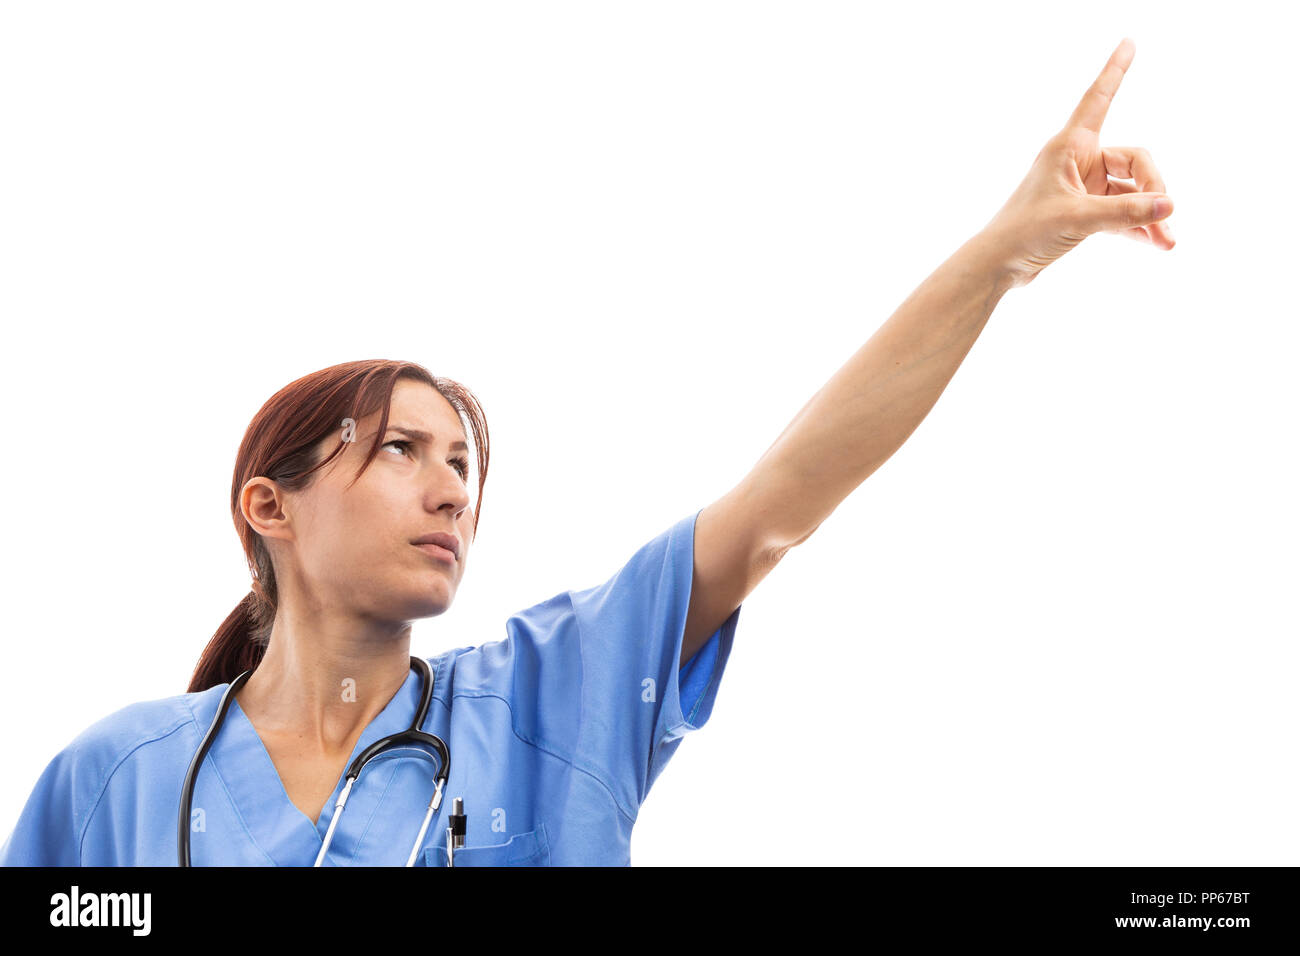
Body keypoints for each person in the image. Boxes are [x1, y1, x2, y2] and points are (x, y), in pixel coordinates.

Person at [0, 37, 1172, 866]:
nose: (451, 487)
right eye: (404, 448)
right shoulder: (113, 783)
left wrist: (999, 260)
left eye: (464, 463)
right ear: (271, 503)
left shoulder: (551, 703)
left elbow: (783, 498)